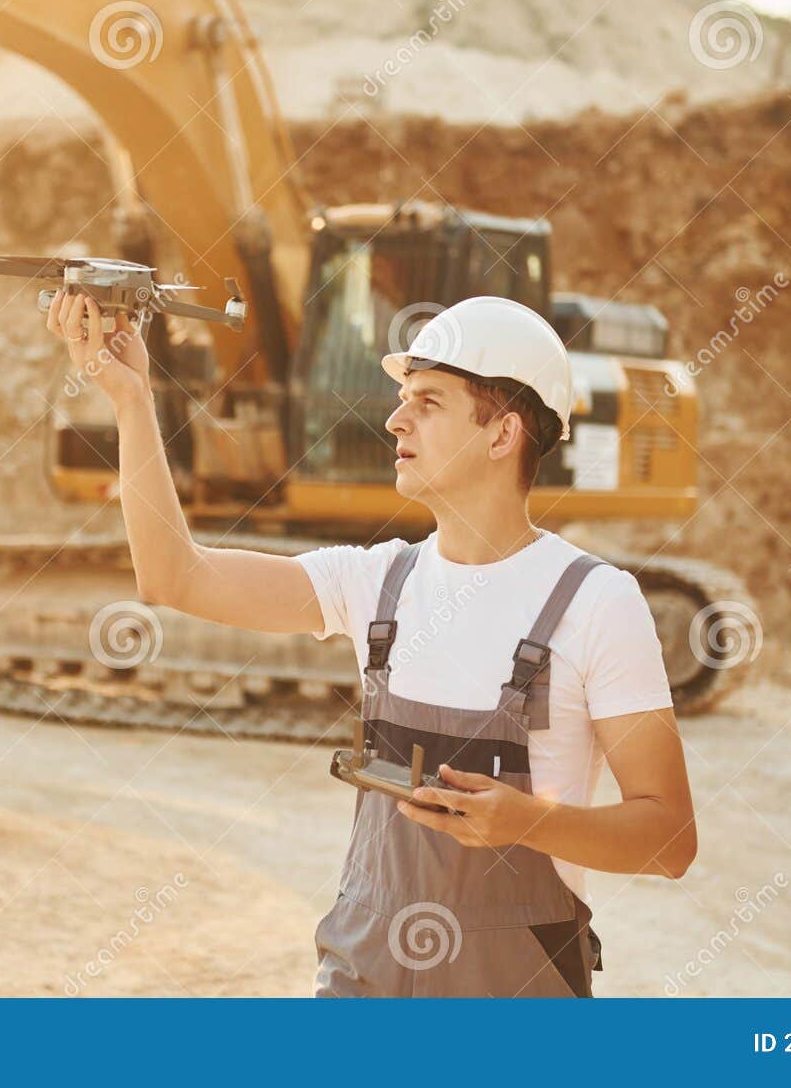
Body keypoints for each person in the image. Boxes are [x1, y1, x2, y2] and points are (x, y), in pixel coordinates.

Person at [45, 287, 697, 997]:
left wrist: (526, 822)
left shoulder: (596, 602)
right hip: (364, 978)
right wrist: (132, 400)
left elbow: (669, 838)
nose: (394, 418)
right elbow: (175, 575)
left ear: (503, 433)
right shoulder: (376, 581)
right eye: (403, 396)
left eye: (429, 401)